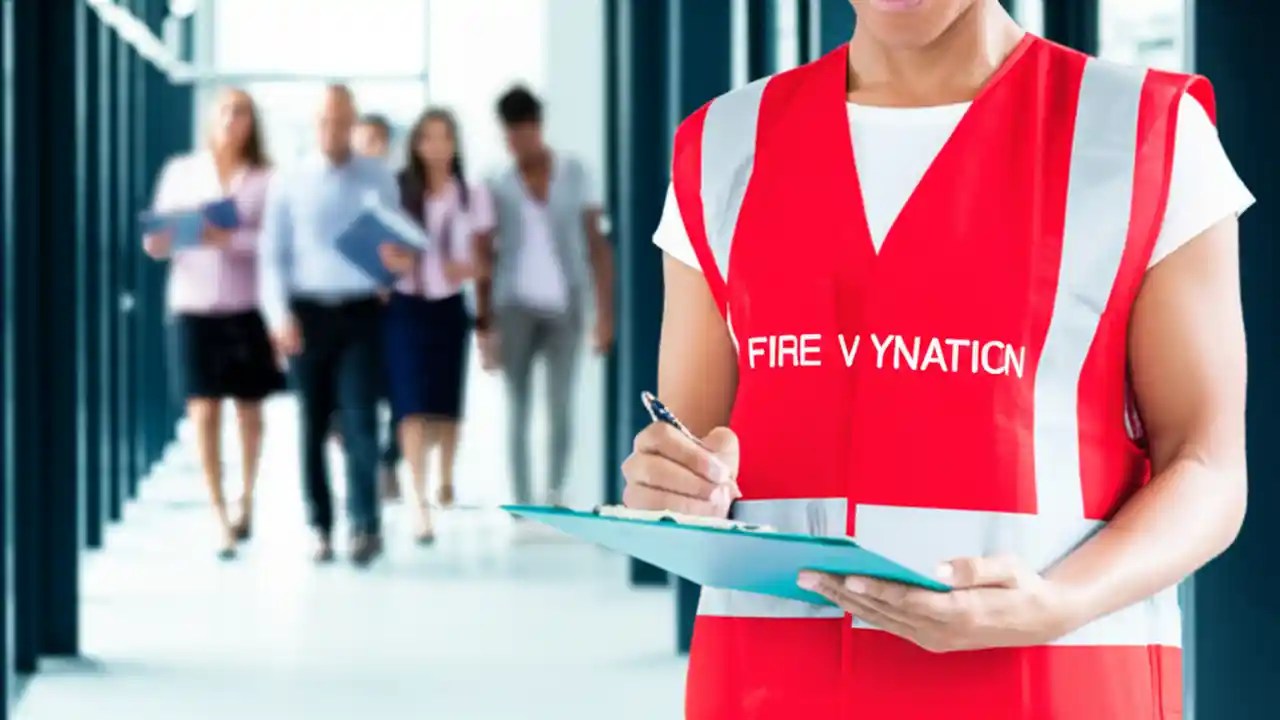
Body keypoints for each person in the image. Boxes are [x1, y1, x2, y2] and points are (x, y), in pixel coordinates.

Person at [624, 1, 1252, 717]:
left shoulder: (1143, 133)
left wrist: (1057, 603)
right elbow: (694, 458)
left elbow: (1206, 469)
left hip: (1053, 685)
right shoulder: (722, 148)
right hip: (775, 687)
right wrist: (671, 487)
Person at [259, 85, 405, 567]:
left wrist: (392, 268)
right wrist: (279, 316)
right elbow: (272, 256)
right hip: (308, 315)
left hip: (361, 313)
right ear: (313, 123)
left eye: (342, 121)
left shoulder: (377, 178)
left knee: (363, 420)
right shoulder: (291, 180)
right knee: (311, 423)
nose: (333, 129)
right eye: (325, 120)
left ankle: (365, 524)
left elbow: (394, 245)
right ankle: (318, 524)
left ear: (353, 123)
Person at [143, 88, 284, 559]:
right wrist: (185, 233)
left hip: (247, 308)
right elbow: (155, 242)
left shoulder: (266, 179)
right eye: (223, 111)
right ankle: (219, 513)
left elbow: (276, 243)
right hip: (192, 307)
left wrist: (231, 239)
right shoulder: (182, 173)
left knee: (249, 411)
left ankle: (246, 496)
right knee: (203, 412)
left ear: (251, 122)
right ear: (210, 119)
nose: (230, 119)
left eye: (240, 112)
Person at [474, 86, 614, 508]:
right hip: (512, 307)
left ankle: (553, 495)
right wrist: (484, 324)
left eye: (522, 134)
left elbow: (597, 247)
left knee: (560, 404)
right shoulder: (495, 182)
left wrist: (604, 314)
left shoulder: (576, 173)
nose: (515, 144)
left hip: (565, 308)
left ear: (537, 127)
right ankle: (520, 502)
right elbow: (482, 253)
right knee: (516, 405)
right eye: (508, 137)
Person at [384, 108, 490, 542]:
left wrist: (465, 270)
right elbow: (381, 251)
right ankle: (418, 500)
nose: (436, 147)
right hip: (406, 304)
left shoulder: (471, 195)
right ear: (415, 145)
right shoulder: (398, 192)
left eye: (444, 137)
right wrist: (395, 261)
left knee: (445, 402)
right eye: (427, 138)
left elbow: (485, 260)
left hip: (449, 306)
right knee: (409, 404)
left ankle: (445, 475)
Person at [350, 111, 404, 502]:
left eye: (378, 141)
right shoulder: (341, 192)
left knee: (400, 394)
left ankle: (388, 462)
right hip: (353, 310)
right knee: (356, 398)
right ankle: (363, 469)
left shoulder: (398, 190)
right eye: (365, 140)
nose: (372, 149)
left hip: (397, 308)